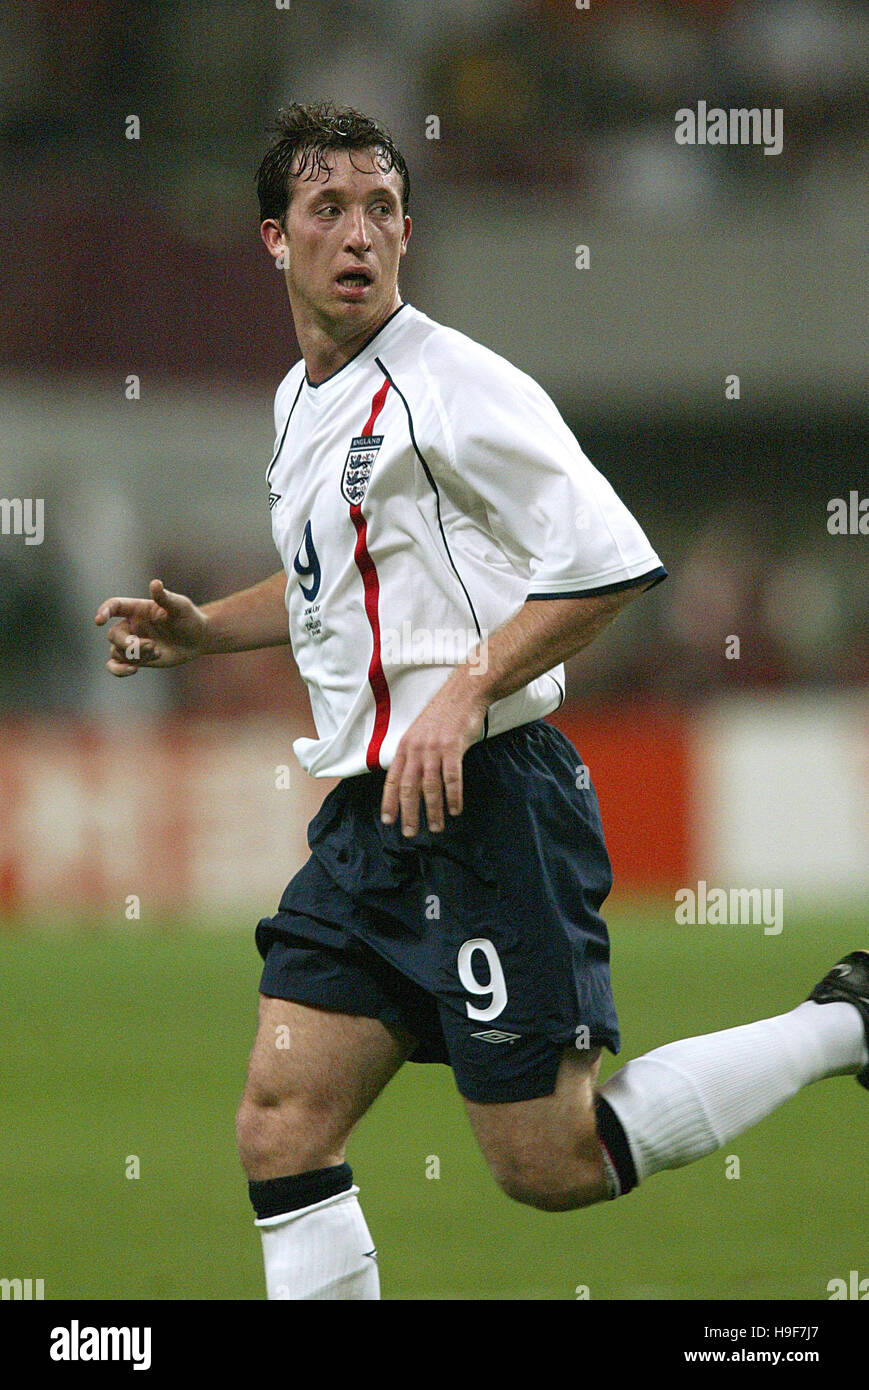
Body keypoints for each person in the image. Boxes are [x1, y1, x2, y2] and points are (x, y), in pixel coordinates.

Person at [95, 102, 868, 1301]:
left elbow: (610, 560)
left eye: (383, 210)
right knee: (281, 1123)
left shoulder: (453, 387)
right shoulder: (303, 402)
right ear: (271, 239)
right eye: (328, 210)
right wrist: (206, 632)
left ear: (406, 234)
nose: (359, 234)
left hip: (484, 798)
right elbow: (336, 596)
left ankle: (847, 1019)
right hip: (367, 821)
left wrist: (463, 690)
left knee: (546, 1162)